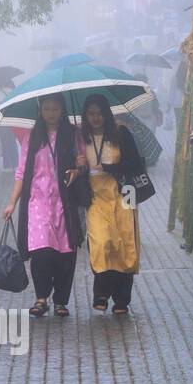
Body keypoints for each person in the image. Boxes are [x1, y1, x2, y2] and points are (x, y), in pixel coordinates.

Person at [2, 94, 85, 318]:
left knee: (65, 252)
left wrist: (78, 168)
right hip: (37, 202)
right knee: (41, 251)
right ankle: (41, 298)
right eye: (47, 109)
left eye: (55, 109)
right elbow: (21, 171)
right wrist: (12, 202)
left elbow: (82, 159)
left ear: (62, 110)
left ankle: (60, 301)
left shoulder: (72, 134)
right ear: (40, 111)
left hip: (65, 202)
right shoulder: (32, 136)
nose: (51, 113)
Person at [80, 94, 143, 314]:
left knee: (124, 244)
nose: (95, 118)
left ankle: (121, 299)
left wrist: (111, 167)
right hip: (95, 197)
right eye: (91, 114)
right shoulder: (80, 140)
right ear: (85, 116)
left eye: (99, 113)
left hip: (123, 194)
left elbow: (136, 162)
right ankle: (101, 292)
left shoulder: (121, 134)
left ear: (106, 114)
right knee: (101, 241)